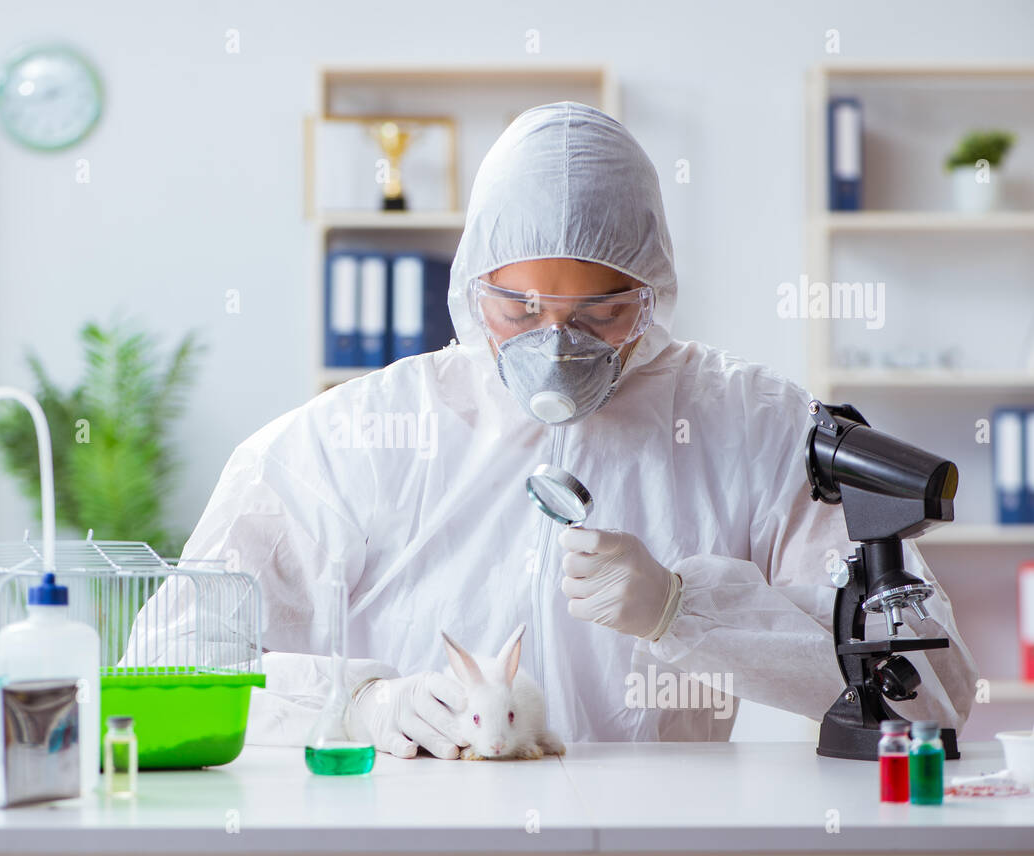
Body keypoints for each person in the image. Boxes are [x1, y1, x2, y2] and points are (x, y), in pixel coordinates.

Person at [136, 101, 977, 759]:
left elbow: (933, 690)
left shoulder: (752, 425)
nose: (556, 343)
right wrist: (356, 703)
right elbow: (165, 671)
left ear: (651, 292)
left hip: (653, 843)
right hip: (412, 835)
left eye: (600, 311)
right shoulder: (364, 435)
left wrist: (690, 611)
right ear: (472, 284)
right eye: (521, 307)